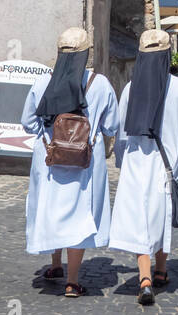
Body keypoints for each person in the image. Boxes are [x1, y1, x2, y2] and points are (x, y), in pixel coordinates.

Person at [111, 29, 178, 305]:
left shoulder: (131, 88)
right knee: (163, 216)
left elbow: (121, 132)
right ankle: (161, 270)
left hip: (137, 165)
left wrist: (120, 160)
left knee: (141, 220)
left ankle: (144, 277)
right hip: (170, 165)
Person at [21, 27, 119, 298]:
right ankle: (73, 281)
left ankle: (55, 265)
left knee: (51, 208)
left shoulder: (42, 83)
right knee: (79, 215)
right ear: (86, 54)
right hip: (86, 162)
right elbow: (112, 126)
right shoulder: (99, 84)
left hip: (49, 160)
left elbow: (28, 124)